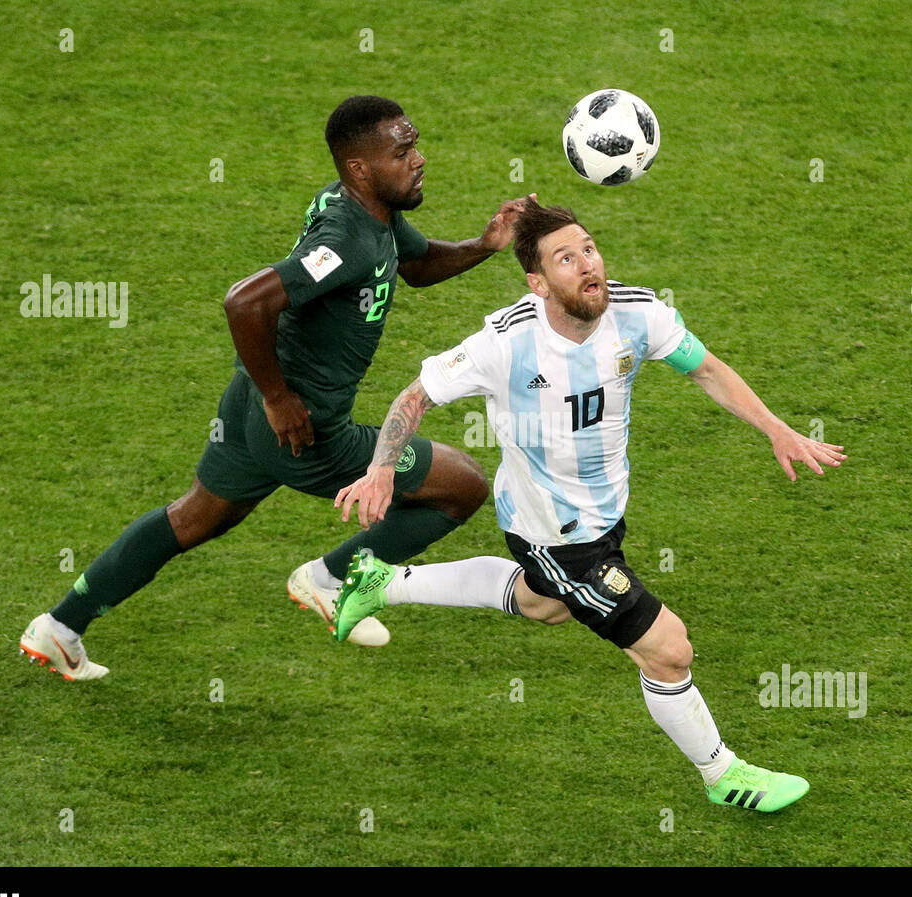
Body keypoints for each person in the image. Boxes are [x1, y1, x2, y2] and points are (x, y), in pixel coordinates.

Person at [329, 200, 847, 811]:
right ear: (538, 282)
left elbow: (707, 369)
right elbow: (415, 398)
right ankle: (722, 774)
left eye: (590, 249)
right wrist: (382, 469)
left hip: (601, 516)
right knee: (668, 649)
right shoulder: (507, 342)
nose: (587, 265)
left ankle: (382, 580)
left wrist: (776, 429)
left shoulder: (637, 315)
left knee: (544, 605)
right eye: (565, 258)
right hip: (555, 534)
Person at [18, 95, 532, 680]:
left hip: (250, 412)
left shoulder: (367, 214)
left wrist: (484, 246)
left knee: (194, 518)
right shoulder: (347, 241)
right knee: (461, 486)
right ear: (361, 168)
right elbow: (245, 301)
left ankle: (60, 627)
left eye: (414, 145)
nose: (418, 159)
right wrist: (279, 397)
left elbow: (413, 265)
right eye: (403, 151)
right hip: (305, 429)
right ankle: (331, 579)